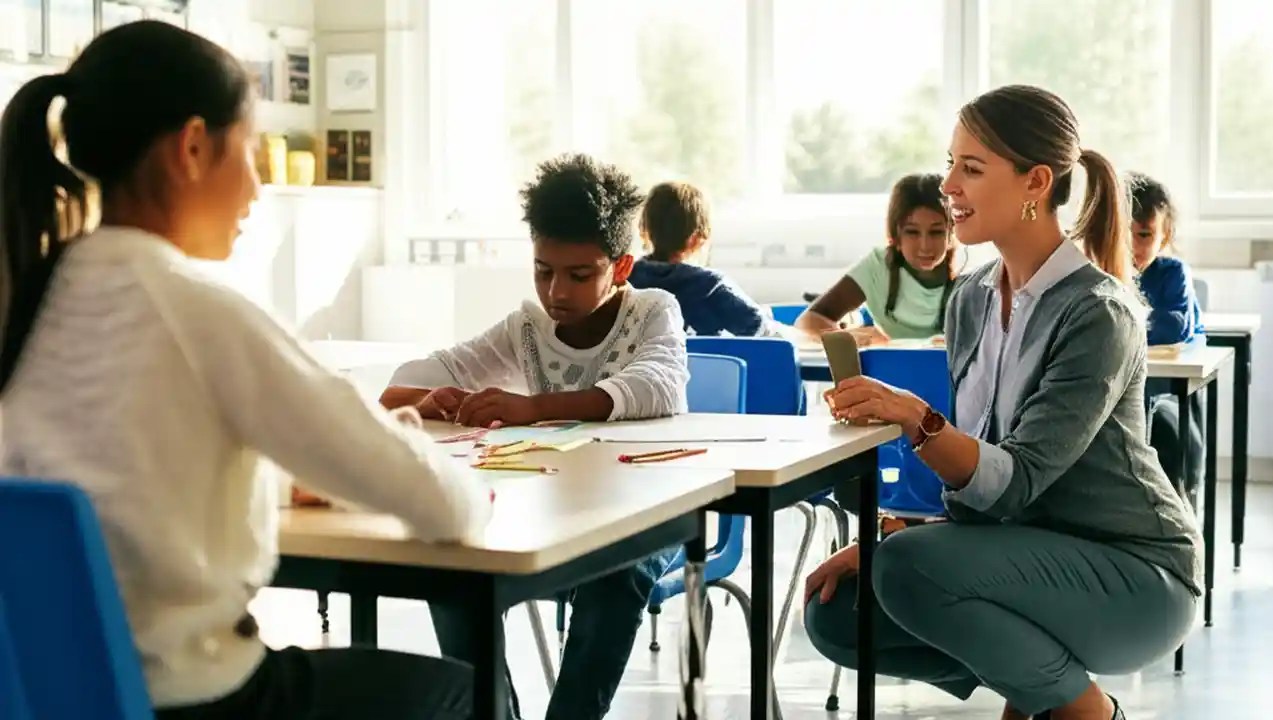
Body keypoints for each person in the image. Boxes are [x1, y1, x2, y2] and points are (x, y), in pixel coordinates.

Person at [0, 21, 493, 720]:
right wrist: (444, 473)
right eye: (251, 151)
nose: (258, 189)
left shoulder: (38, 298)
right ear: (193, 147)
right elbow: (446, 505)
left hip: (57, 696)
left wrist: (283, 480)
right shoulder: (196, 308)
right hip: (195, 696)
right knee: (467, 692)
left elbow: (118, 471)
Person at [804, 85, 1202, 720]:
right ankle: (1039, 694)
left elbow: (1015, 482)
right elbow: (984, 486)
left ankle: (1088, 713)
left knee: (904, 569)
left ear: (1034, 183)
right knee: (839, 614)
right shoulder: (971, 299)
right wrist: (911, 535)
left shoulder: (1098, 313)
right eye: (950, 164)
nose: (948, 186)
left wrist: (914, 416)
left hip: (1136, 576)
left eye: (971, 168)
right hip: (1035, 556)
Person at [381, 153, 688, 720]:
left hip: (654, 511)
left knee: (617, 571)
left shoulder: (652, 311)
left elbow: (656, 385)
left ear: (621, 267)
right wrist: (427, 399)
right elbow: (413, 377)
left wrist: (534, 407)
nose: (556, 291)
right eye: (543, 270)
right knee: (453, 565)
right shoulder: (527, 327)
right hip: (560, 515)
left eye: (579, 275)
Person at [795, 173, 957, 345]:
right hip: (886, 360)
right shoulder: (878, 268)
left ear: (951, 233)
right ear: (895, 235)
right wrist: (851, 338)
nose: (925, 246)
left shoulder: (968, 274)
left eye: (936, 232)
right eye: (912, 232)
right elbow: (809, 321)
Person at [1129, 171, 1207, 501]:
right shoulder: (1104, 271)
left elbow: (1173, 327)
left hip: (1171, 389)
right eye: (1124, 233)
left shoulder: (1172, 273)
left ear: (1165, 237)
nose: (1132, 245)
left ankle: (1180, 497)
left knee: (1170, 443)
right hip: (1131, 386)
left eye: (1144, 234)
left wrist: (1125, 321)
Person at [628, 180, 789, 337]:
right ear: (697, 239)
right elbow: (761, 329)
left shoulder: (626, 280)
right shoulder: (711, 286)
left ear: (644, 230)